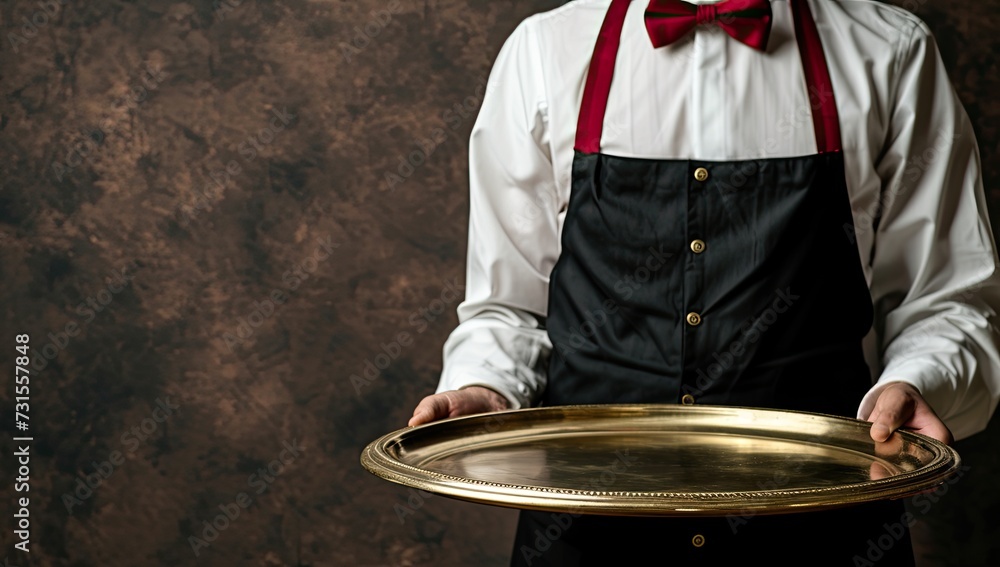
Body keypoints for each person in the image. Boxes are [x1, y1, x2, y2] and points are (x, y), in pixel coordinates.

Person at [408, 0, 1000, 564]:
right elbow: (510, 309)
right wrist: (488, 389)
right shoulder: (543, 51)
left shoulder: (891, 51)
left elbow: (946, 298)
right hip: (585, 528)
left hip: (823, 523)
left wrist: (918, 379)